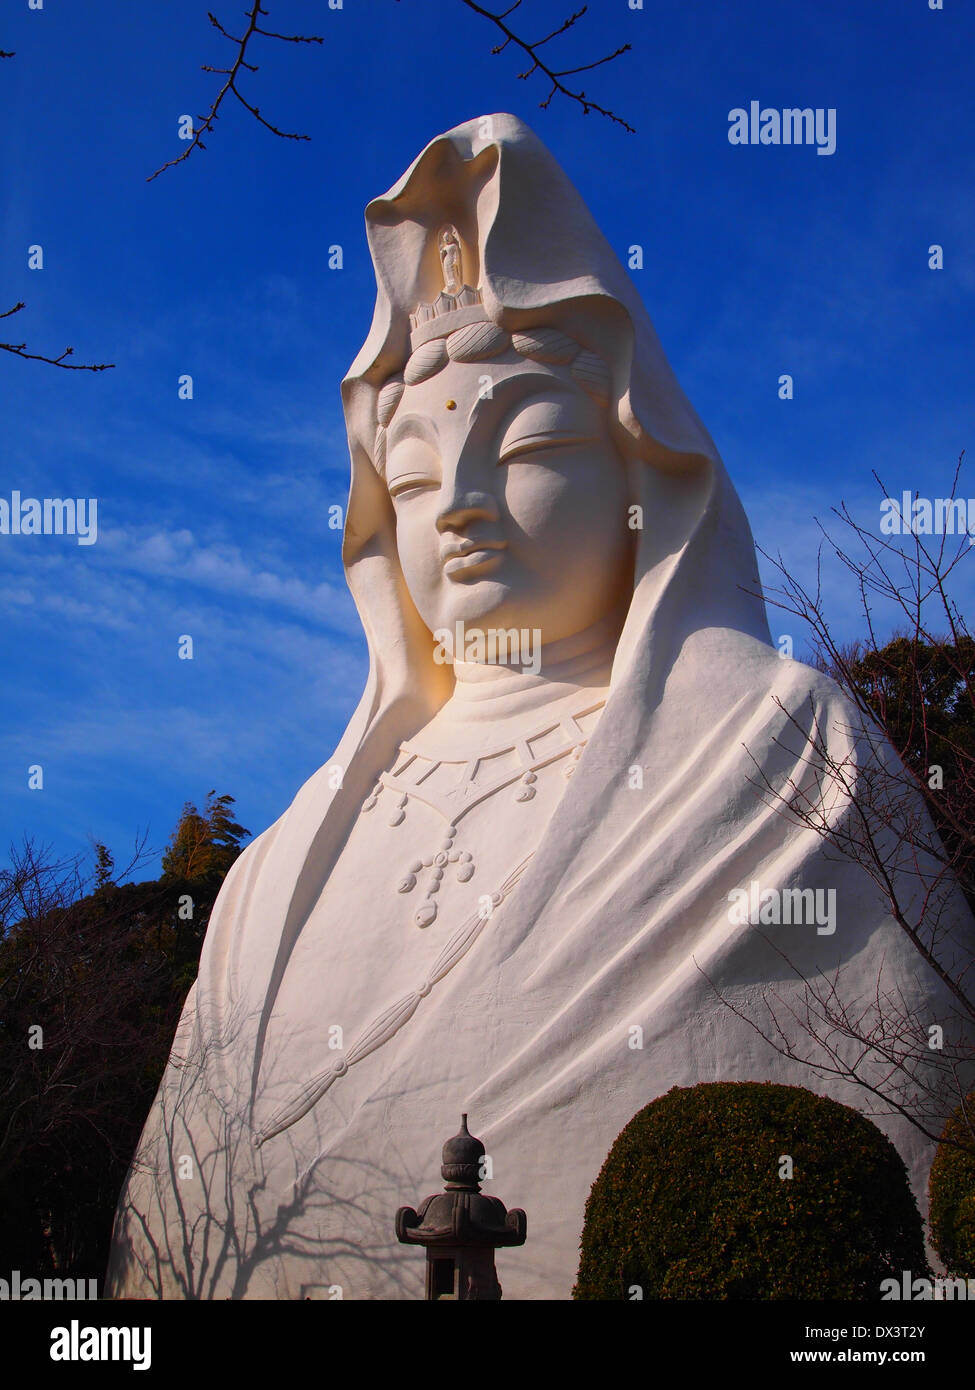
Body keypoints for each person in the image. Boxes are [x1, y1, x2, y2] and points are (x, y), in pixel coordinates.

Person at [107, 113, 970, 1300]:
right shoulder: (276, 868)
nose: (456, 504)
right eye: (411, 473)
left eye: (529, 441)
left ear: (641, 472)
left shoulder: (783, 755)